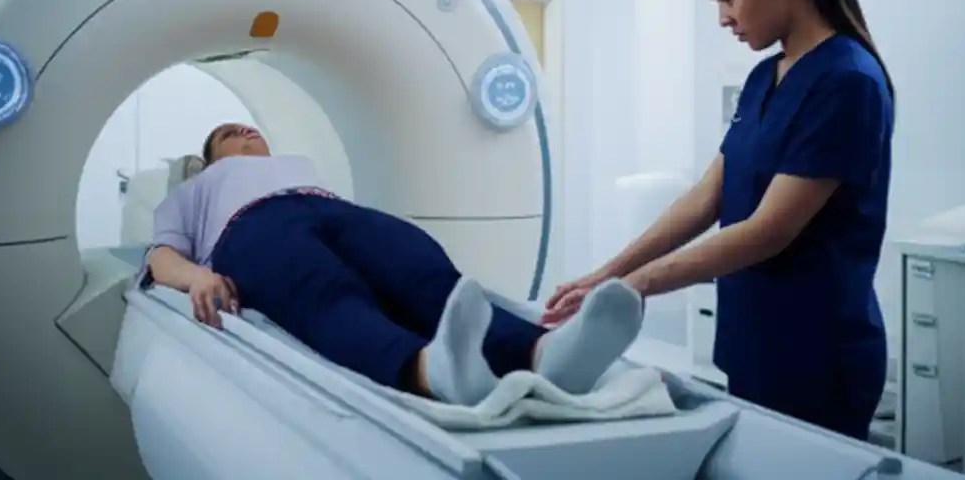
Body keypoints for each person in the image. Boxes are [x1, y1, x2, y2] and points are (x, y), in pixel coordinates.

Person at [544, 0, 894, 441]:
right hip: (755, 343)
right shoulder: (763, 79)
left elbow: (768, 230)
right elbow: (708, 197)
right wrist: (607, 275)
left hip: (817, 354)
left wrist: (636, 286)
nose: (723, 17)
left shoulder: (847, 82)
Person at [143, 122, 645, 407]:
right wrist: (198, 276)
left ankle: (545, 353)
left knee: (419, 271)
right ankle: (429, 370)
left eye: (246, 126)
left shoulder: (301, 167)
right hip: (250, 228)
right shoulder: (198, 190)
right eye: (226, 134)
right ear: (212, 162)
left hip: (335, 210)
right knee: (325, 292)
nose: (242, 130)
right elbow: (161, 256)